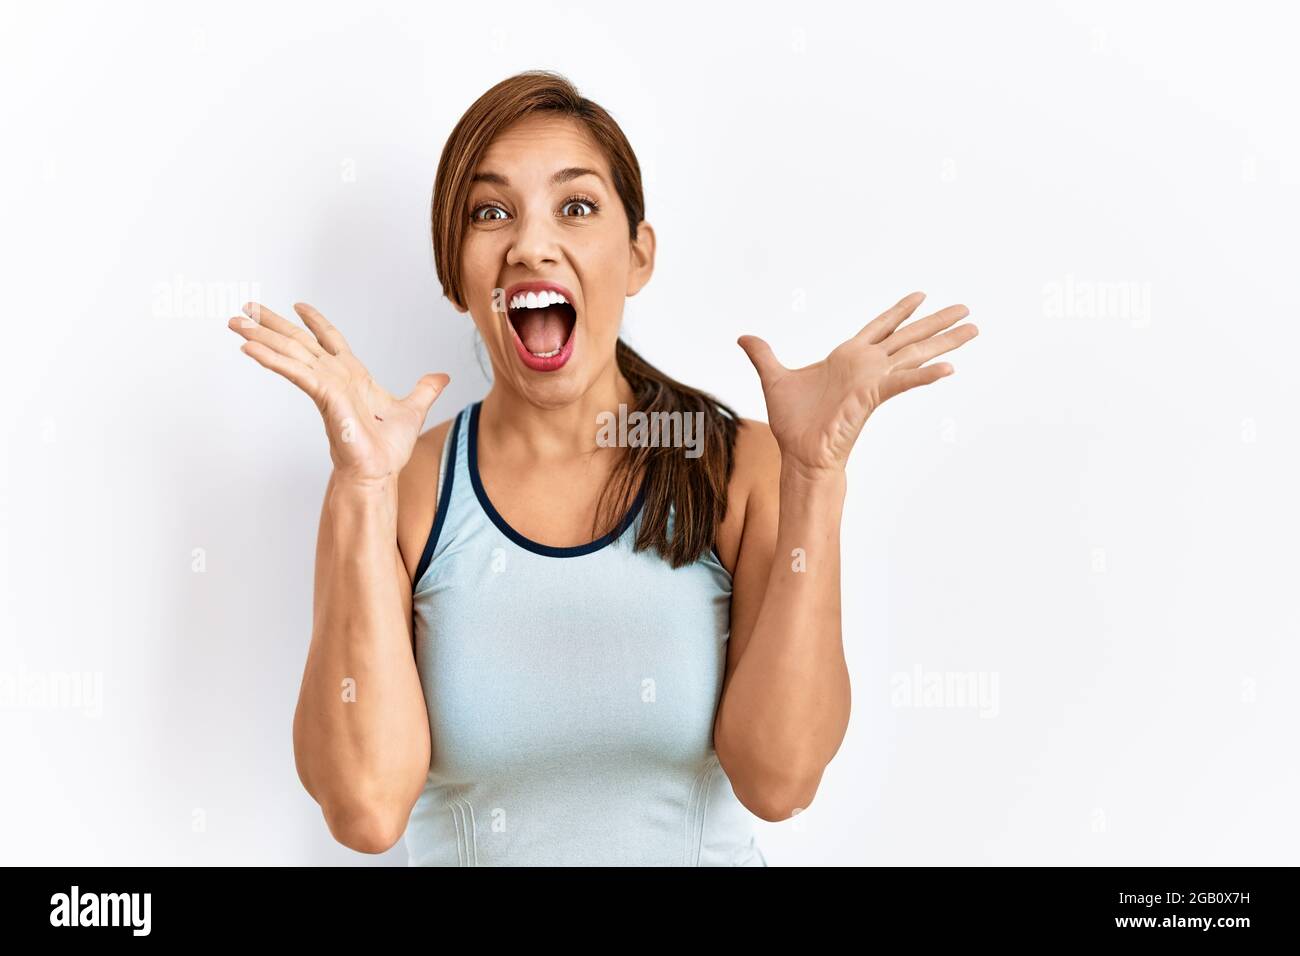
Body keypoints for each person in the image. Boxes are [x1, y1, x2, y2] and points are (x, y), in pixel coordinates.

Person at [226, 70, 978, 866]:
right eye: (491, 212)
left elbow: (780, 780)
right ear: (456, 274)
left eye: (575, 206)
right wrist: (361, 490)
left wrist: (816, 481)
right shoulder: (402, 486)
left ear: (638, 254)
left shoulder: (742, 468)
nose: (531, 244)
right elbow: (365, 810)